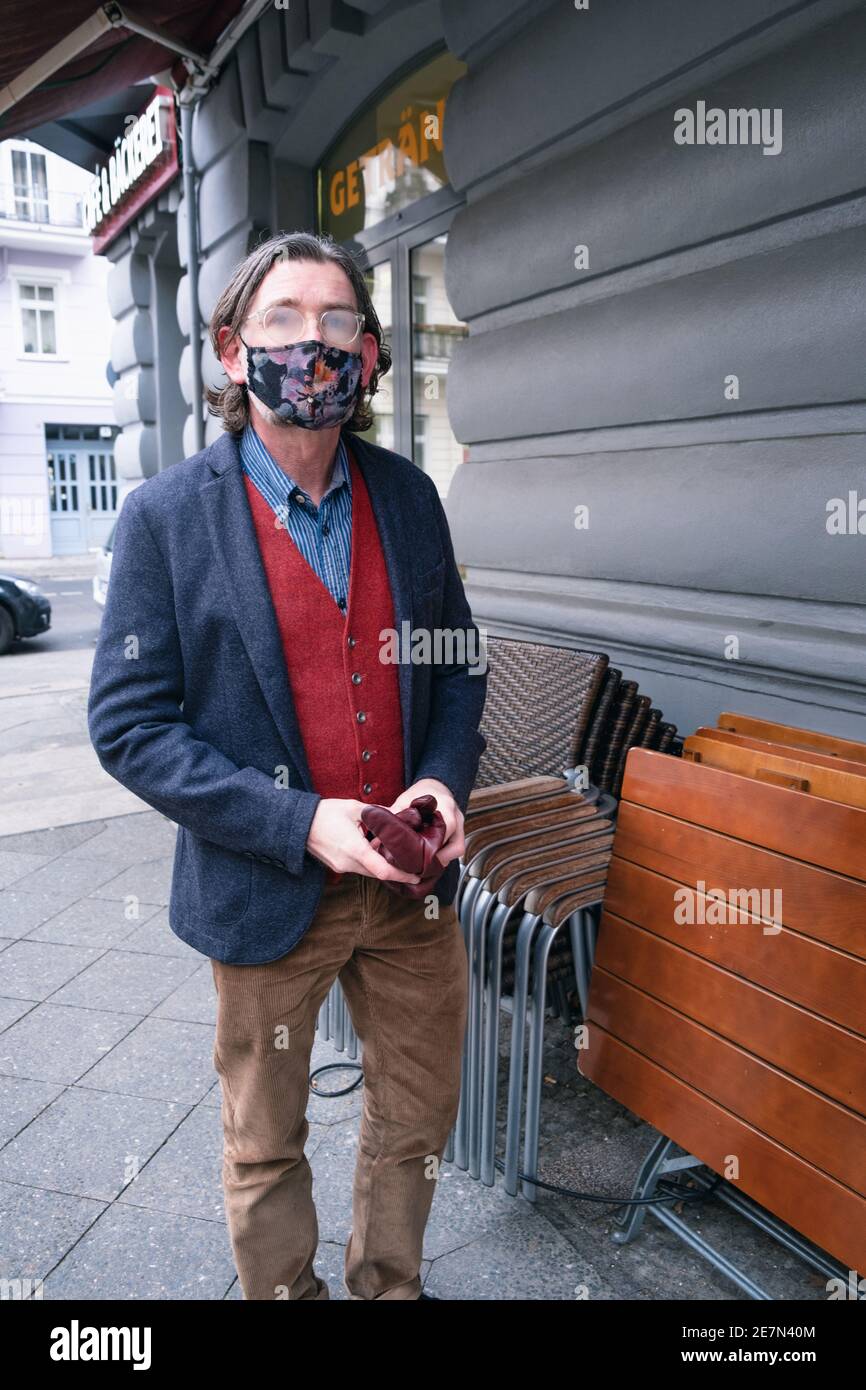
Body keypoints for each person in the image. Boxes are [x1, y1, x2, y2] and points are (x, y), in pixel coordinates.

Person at [87, 229, 488, 1301]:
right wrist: (298, 820)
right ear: (230, 350)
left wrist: (442, 781)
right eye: (284, 319)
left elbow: (455, 667)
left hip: (409, 893)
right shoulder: (167, 520)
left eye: (338, 321)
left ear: (365, 354)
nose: (313, 342)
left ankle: (387, 1285)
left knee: (414, 1121)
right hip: (264, 894)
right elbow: (128, 725)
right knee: (265, 1141)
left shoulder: (405, 497)